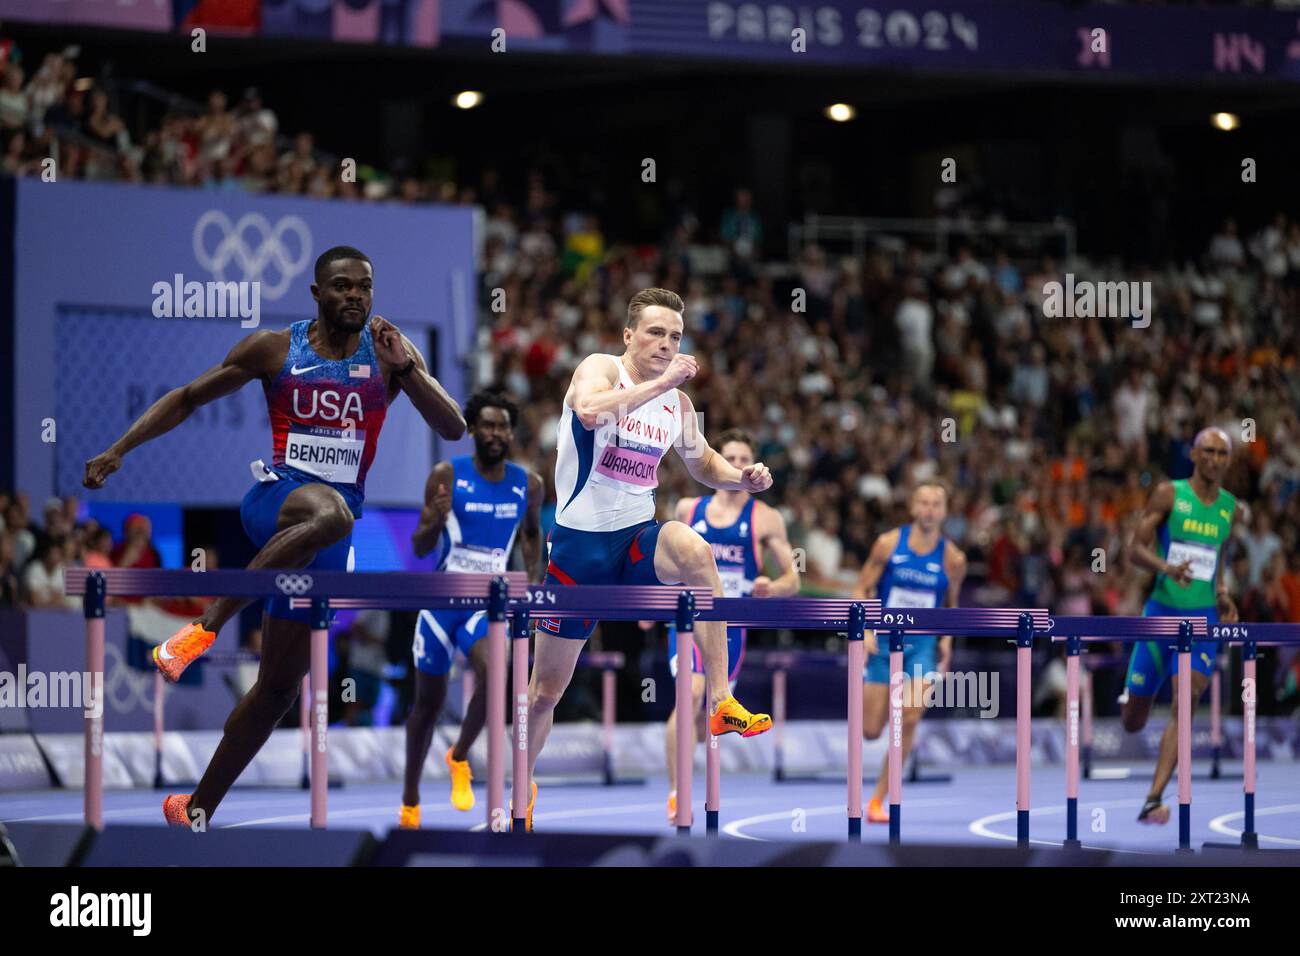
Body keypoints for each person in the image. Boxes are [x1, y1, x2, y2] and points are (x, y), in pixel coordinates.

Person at [82, 245, 466, 827]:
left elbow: (453, 426)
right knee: (334, 511)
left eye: (363, 286)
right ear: (317, 294)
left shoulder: (389, 353)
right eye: (341, 286)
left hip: (329, 538)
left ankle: (196, 807)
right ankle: (203, 628)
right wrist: (119, 449)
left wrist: (408, 368)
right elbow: (188, 397)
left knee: (279, 689)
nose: (355, 295)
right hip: (276, 501)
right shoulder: (276, 349)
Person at [521, 288, 774, 831]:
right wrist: (661, 383)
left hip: (635, 540)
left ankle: (722, 699)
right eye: (656, 333)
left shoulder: (678, 404)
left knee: (694, 548)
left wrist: (743, 479)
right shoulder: (599, 368)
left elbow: (703, 462)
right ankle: (522, 782)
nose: (666, 344)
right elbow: (588, 414)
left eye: (676, 336)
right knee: (545, 692)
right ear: (629, 335)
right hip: (577, 551)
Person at [400, 390, 543, 828]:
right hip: (442, 601)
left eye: (502, 426)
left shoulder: (528, 484)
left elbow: (532, 535)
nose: (496, 433)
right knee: (427, 704)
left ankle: (459, 757)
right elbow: (420, 546)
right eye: (487, 425)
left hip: (490, 603)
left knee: (495, 671)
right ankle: (410, 802)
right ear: (473, 430)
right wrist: (434, 519)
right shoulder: (447, 475)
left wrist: (532, 586)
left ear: (511, 431)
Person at [663, 427, 799, 822]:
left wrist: (770, 586)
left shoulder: (766, 518)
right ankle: (677, 792)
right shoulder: (688, 510)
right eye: (731, 459)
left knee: (706, 716)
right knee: (691, 694)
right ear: (717, 462)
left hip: (732, 626)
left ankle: (691, 765)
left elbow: (793, 577)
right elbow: (666, 561)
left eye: (744, 460)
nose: (738, 467)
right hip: (689, 617)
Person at [1121, 426, 1238, 825]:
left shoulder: (1229, 507)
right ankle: (1133, 695)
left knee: (1184, 704)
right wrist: (1167, 567)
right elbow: (1133, 550)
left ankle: (1152, 800)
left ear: (1228, 461)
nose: (1214, 459)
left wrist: (1221, 592)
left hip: (1202, 620)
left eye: (1222, 454)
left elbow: (1217, 557)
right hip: (1159, 616)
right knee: (1133, 720)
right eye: (1208, 451)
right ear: (1192, 454)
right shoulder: (1170, 494)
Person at [852, 480, 967, 824]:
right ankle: (887, 710)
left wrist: (946, 644)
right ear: (913, 507)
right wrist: (866, 629)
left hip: (922, 646)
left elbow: (951, 605)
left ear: (945, 512)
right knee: (871, 730)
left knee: (909, 716)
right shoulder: (888, 544)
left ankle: (877, 800)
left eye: (937, 504)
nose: (930, 510)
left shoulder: (953, 558)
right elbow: (861, 586)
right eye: (924, 503)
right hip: (884, 645)